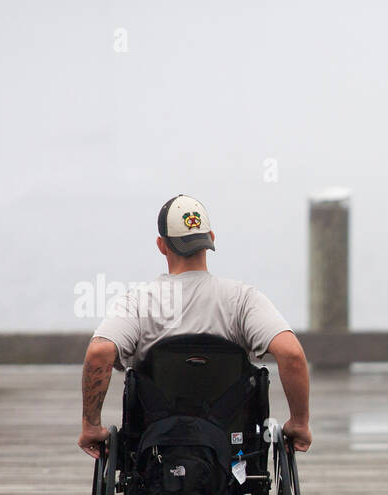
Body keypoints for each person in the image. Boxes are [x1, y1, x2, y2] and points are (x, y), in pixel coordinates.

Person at [77, 194, 312, 457]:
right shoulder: (243, 299)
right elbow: (291, 355)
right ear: (211, 238)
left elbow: (99, 353)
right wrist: (299, 424)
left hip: (156, 451)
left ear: (161, 245)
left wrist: (91, 426)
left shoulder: (137, 302)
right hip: (231, 447)